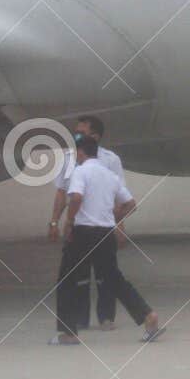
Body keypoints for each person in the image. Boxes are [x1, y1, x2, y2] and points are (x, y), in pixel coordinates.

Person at [51, 134, 162, 346]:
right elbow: (131, 204)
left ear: (81, 152)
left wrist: (69, 221)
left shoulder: (80, 172)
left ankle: (68, 333)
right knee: (114, 280)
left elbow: (75, 197)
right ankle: (148, 316)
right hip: (105, 234)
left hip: (83, 233)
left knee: (67, 281)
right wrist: (114, 219)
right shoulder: (110, 176)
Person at [47, 115, 125, 329]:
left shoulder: (111, 160)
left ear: (95, 136)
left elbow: (120, 197)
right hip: (79, 227)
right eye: (76, 132)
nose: (76, 136)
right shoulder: (69, 159)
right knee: (78, 275)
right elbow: (62, 193)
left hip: (104, 225)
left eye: (81, 132)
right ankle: (80, 318)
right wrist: (54, 221)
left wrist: (119, 225)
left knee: (106, 274)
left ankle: (106, 317)